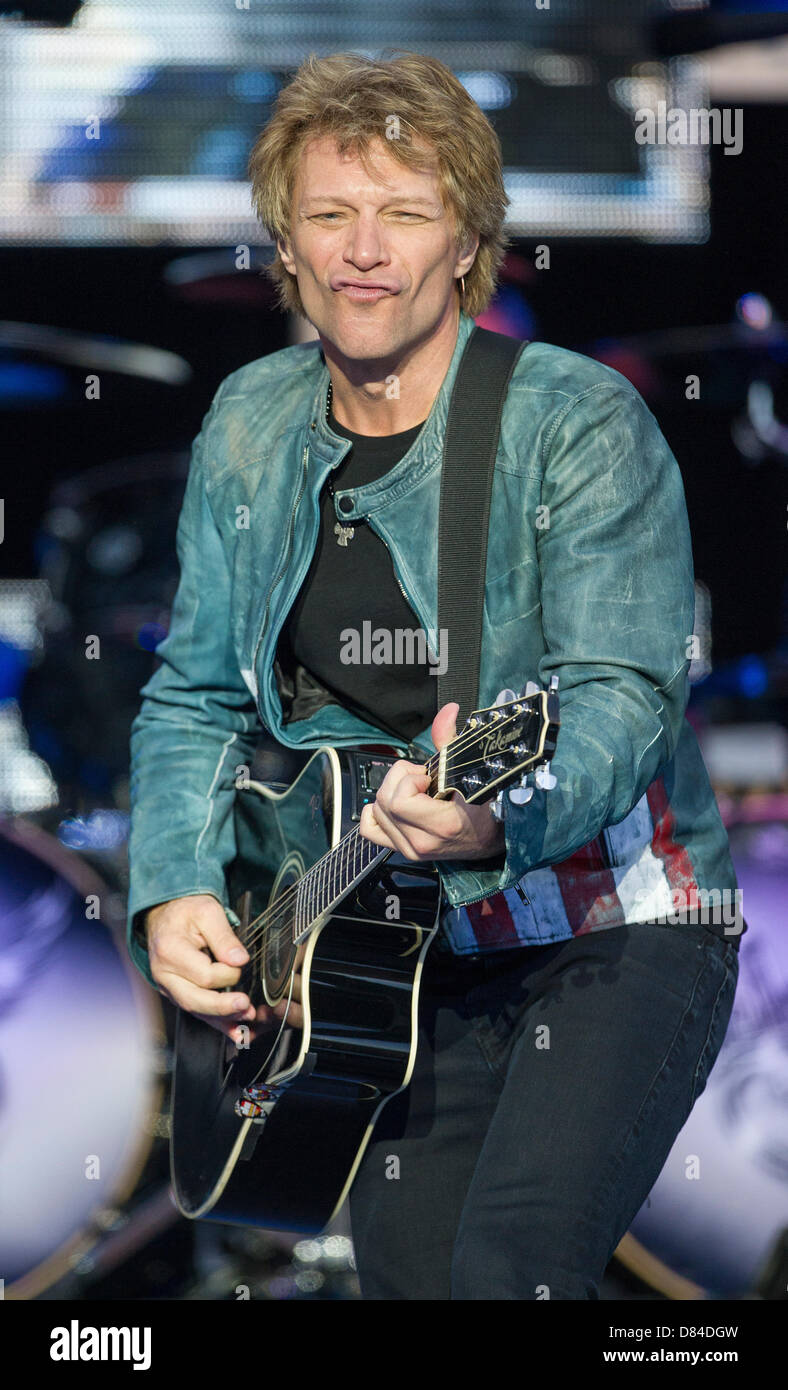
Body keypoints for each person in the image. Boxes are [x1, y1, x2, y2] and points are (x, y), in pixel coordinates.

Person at [127, 51, 742, 1299]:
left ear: (466, 244)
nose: (363, 248)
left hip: (608, 931)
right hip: (389, 963)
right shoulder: (248, 424)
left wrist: (490, 810)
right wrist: (176, 886)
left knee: (509, 1269)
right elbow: (192, 695)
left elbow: (622, 697)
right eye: (328, 215)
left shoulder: (571, 420)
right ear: (283, 245)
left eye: (404, 214)